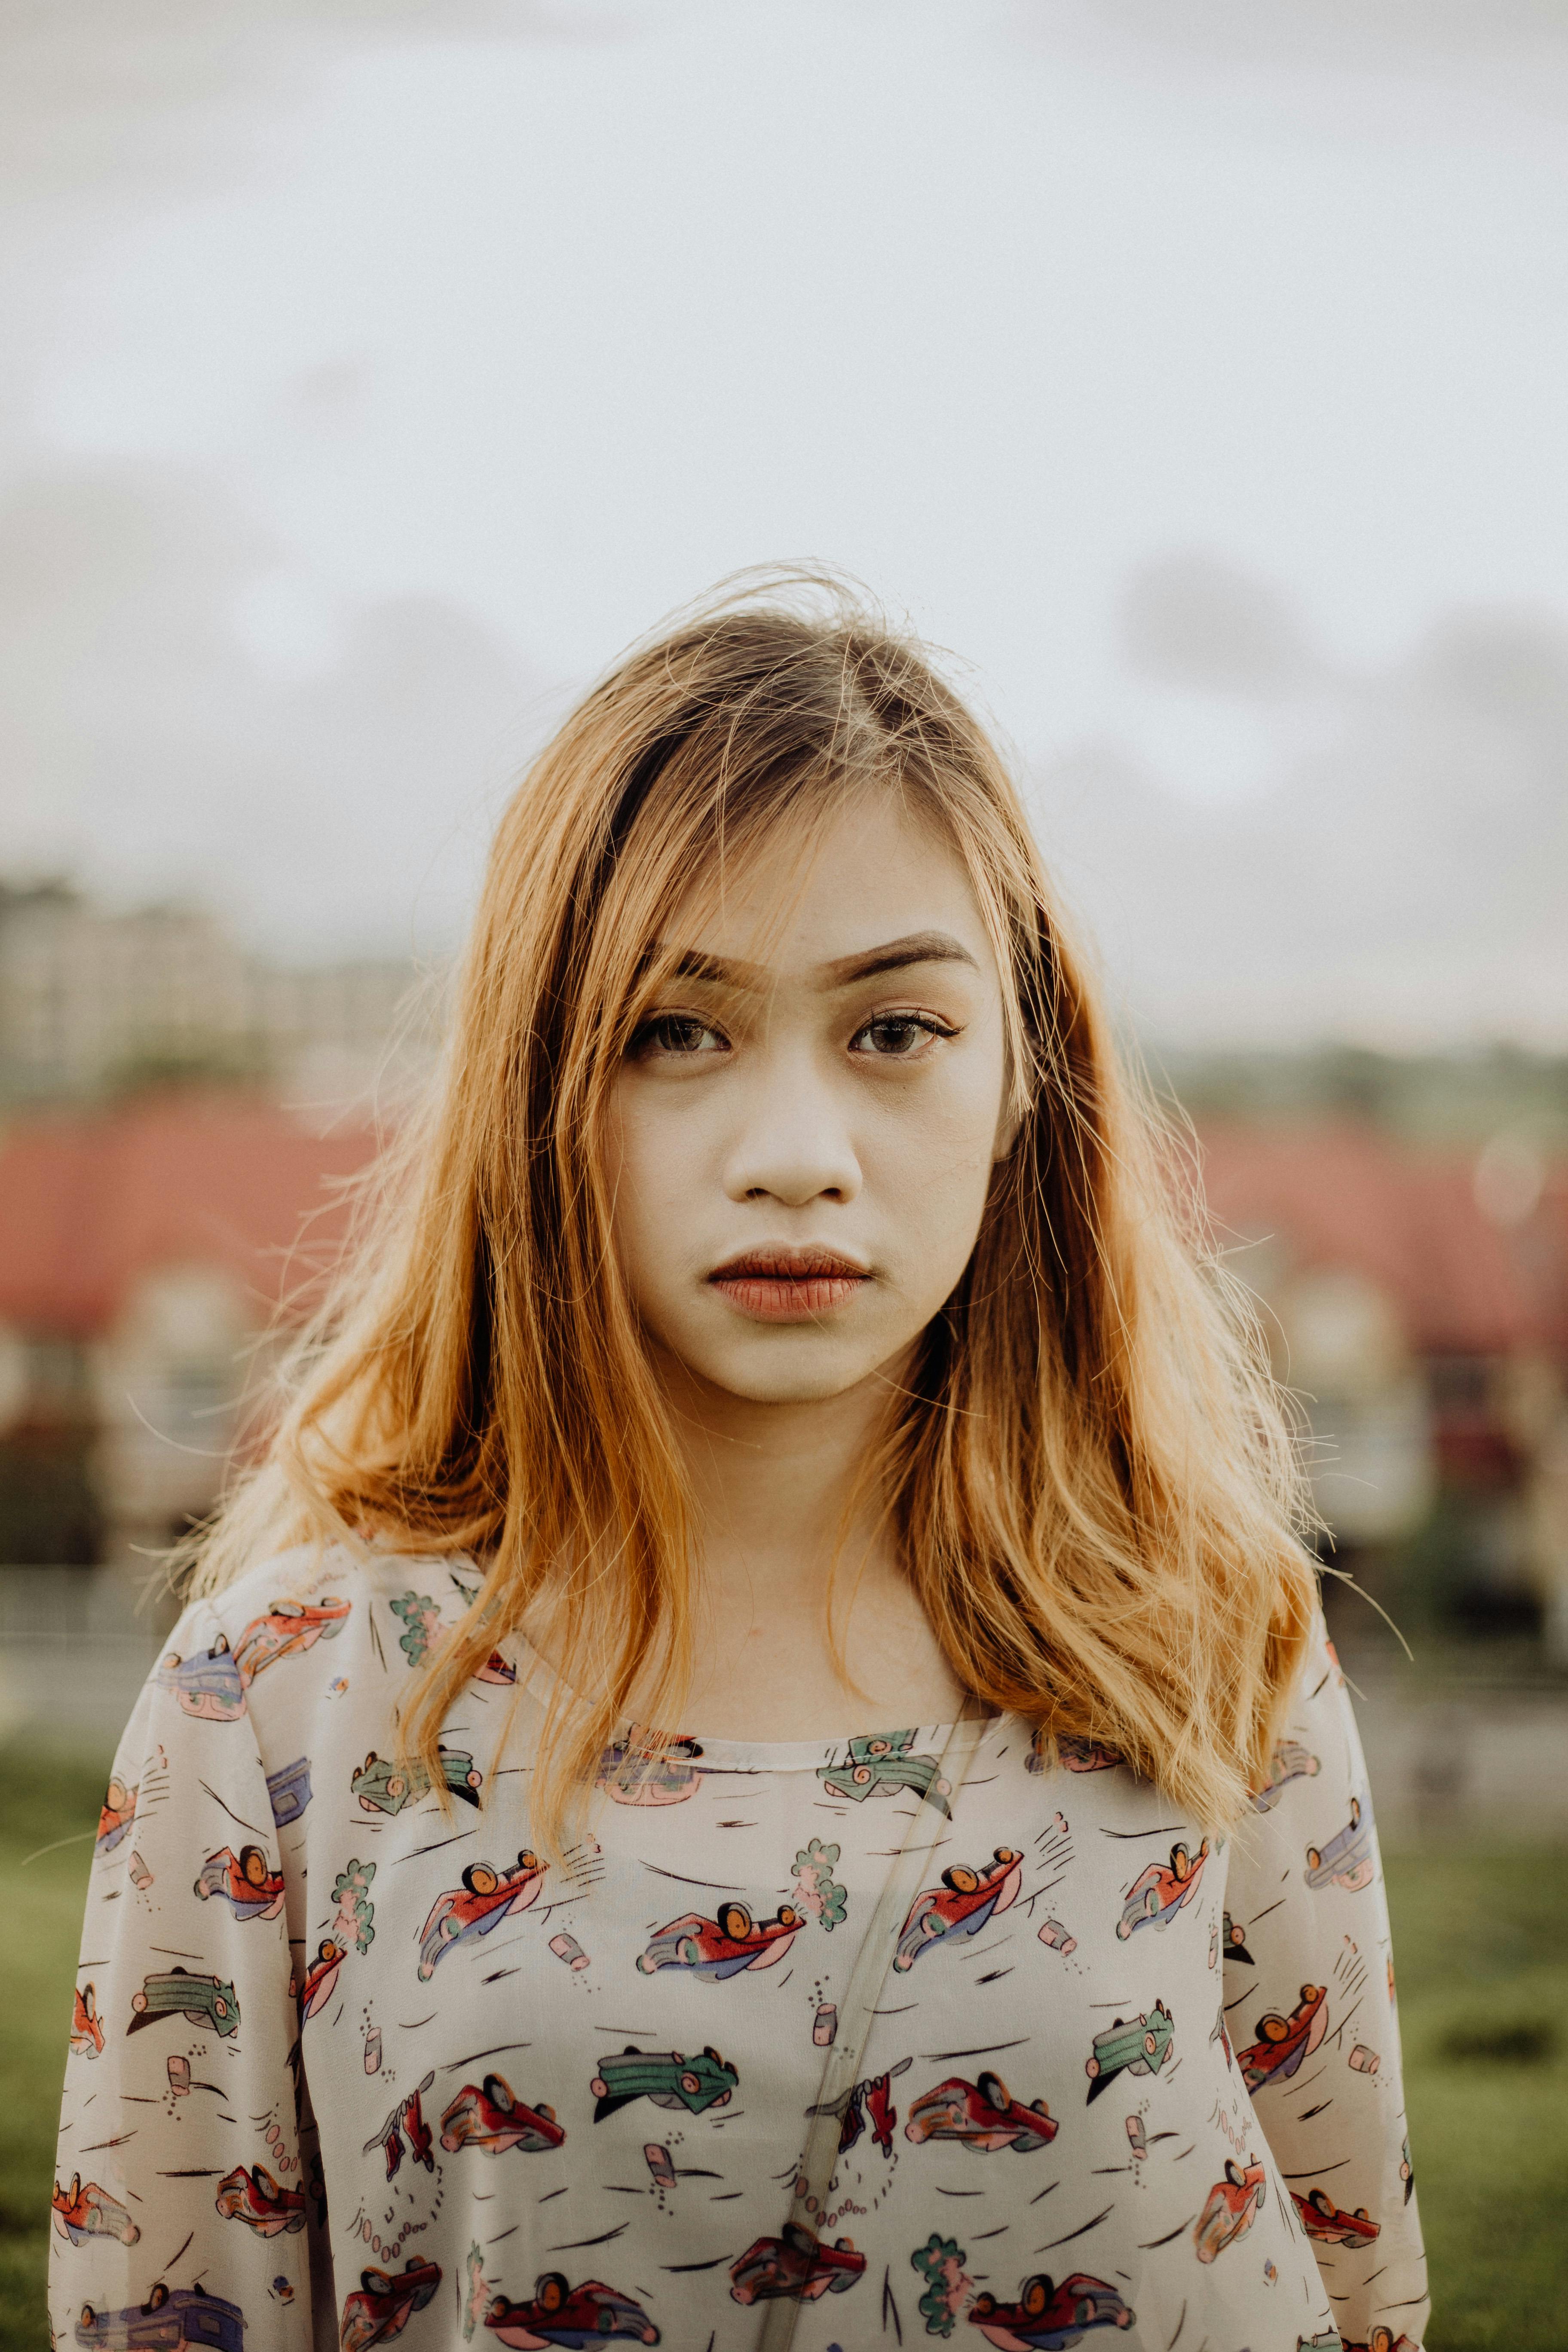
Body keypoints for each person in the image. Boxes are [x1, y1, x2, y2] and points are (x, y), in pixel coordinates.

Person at [52, 582, 1427, 2352]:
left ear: (1027, 1077)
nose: (797, 1157)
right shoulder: (274, 1707)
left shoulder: (1208, 1646)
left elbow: (1361, 2291)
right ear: (541, 1081)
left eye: (894, 1032)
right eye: (674, 1031)